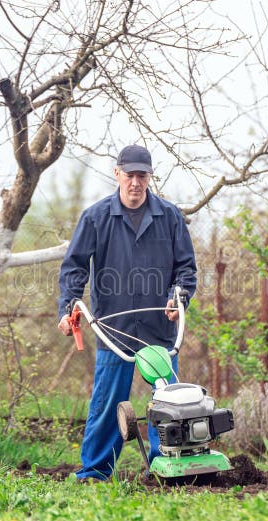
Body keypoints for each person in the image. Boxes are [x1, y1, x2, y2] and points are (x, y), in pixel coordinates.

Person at [57, 144, 197, 482]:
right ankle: (95, 471)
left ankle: (168, 468)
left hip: (159, 329)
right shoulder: (96, 217)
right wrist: (68, 307)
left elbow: (186, 269)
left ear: (150, 177)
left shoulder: (170, 217)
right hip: (114, 328)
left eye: (142, 175)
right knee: (107, 405)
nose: (135, 182)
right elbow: (74, 267)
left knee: (167, 404)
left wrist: (178, 298)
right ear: (117, 173)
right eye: (129, 174)